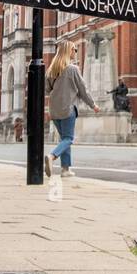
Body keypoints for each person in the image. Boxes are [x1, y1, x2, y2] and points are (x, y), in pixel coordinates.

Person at [44, 41, 99, 178]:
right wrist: (93, 105)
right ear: (68, 51)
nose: (76, 51)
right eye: (74, 49)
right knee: (68, 138)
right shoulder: (73, 69)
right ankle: (52, 156)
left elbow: (47, 89)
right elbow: (83, 90)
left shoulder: (51, 70)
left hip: (54, 110)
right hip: (68, 108)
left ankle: (65, 170)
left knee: (64, 138)